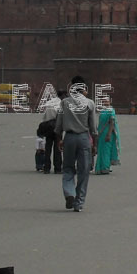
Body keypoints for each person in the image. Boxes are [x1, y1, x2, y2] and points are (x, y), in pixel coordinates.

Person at [54, 76, 97, 213]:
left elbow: (58, 125)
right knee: (84, 170)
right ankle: (78, 202)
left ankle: (69, 193)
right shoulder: (89, 103)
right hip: (84, 138)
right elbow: (93, 128)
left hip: (69, 138)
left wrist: (59, 140)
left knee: (67, 168)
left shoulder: (65, 103)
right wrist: (94, 145)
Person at [39, 91, 63, 174]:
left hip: (48, 128)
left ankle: (47, 167)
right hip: (57, 128)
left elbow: (44, 118)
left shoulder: (50, 103)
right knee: (58, 148)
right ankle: (58, 168)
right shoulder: (61, 104)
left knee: (48, 148)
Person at [95, 106, 117, 175]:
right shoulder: (102, 111)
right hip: (101, 133)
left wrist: (109, 134)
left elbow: (112, 123)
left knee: (106, 151)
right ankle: (100, 168)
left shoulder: (111, 111)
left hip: (107, 133)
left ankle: (105, 168)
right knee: (101, 150)